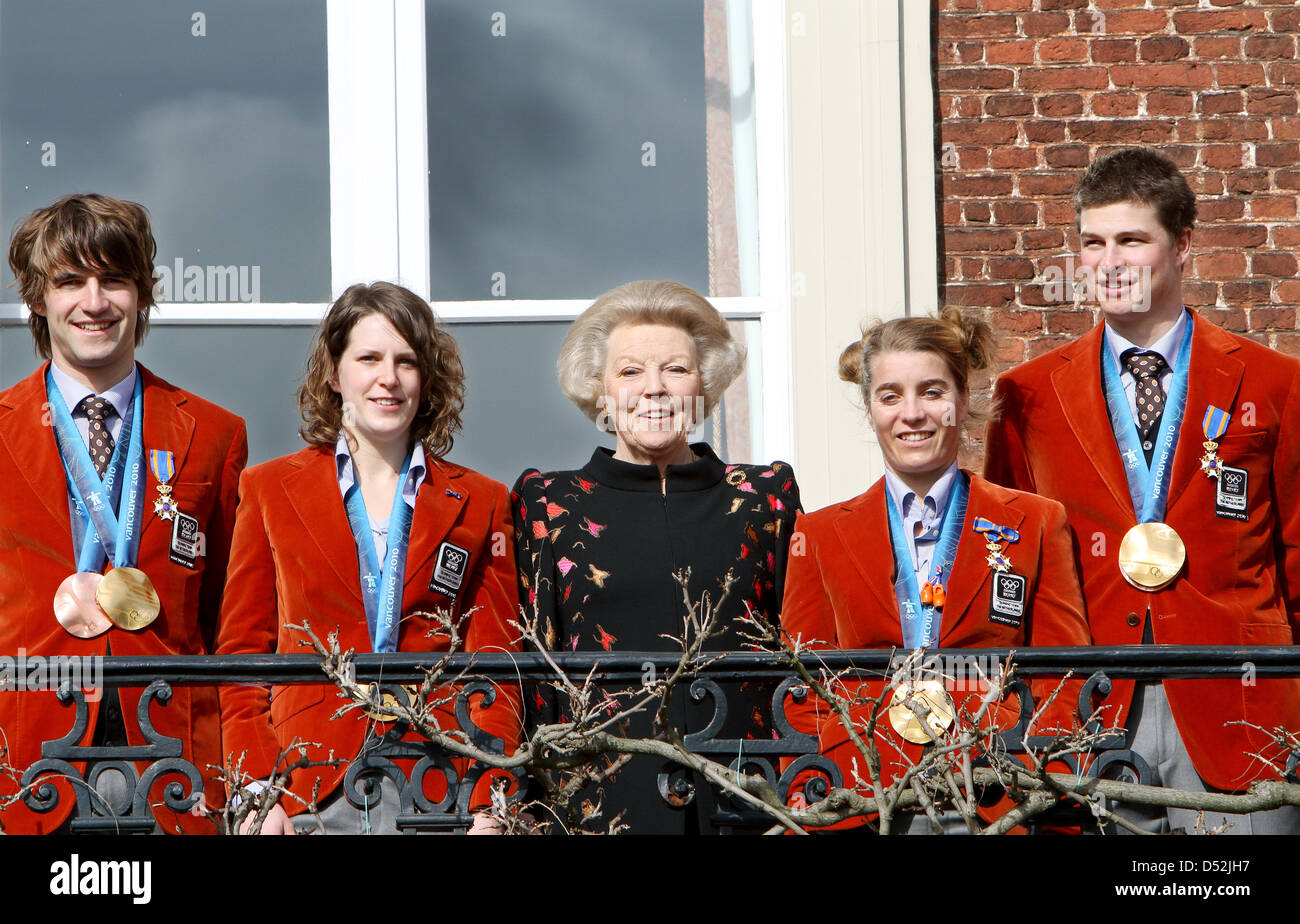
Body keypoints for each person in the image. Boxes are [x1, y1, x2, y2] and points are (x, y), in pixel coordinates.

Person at [984, 146, 1300, 834]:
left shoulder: (1275, 382)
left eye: (1131, 239)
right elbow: (1007, 562)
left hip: (1241, 703)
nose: (1110, 262)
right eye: (1092, 242)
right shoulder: (1027, 396)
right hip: (1087, 707)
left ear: (1182, 245)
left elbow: (1297, 552)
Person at [216, 282, 521, 834]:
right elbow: (241, 659)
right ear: (334, 373)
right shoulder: (267, 490)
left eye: (407, 361)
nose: (389, 378)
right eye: (369, 358)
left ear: (427, 378)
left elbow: (497, 669)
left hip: (439, 781)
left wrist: (492, 802)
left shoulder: (483, 501)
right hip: (306, 781)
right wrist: (257, 790)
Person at [781, 308, 1091, 833]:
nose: (912, 414)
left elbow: (1063, 677)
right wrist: (816, 789)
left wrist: (1044, 789)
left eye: (931, 392)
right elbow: (804, 688)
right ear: (870, 409)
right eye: (890, 396)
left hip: (996, 791)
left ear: (962, 400)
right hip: (862, 795)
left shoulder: (1037, 521)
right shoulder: (820, 533)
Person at [512, 280, 801, 834]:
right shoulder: (549, 503)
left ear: (704, 384)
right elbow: (535, 673)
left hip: (748, 806)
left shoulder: (764, 497)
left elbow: (803, 649)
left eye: (675, 369)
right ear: (600, 390)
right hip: (602, 808)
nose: (655, 389)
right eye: (630, 372)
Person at [0, 193, 247, 833]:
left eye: (114, 279)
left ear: (142, 294)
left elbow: (229, 617)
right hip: (27, 756)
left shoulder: (215, 434)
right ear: (36, 298)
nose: (95, 301)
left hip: (175, 759)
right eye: (69, 281)